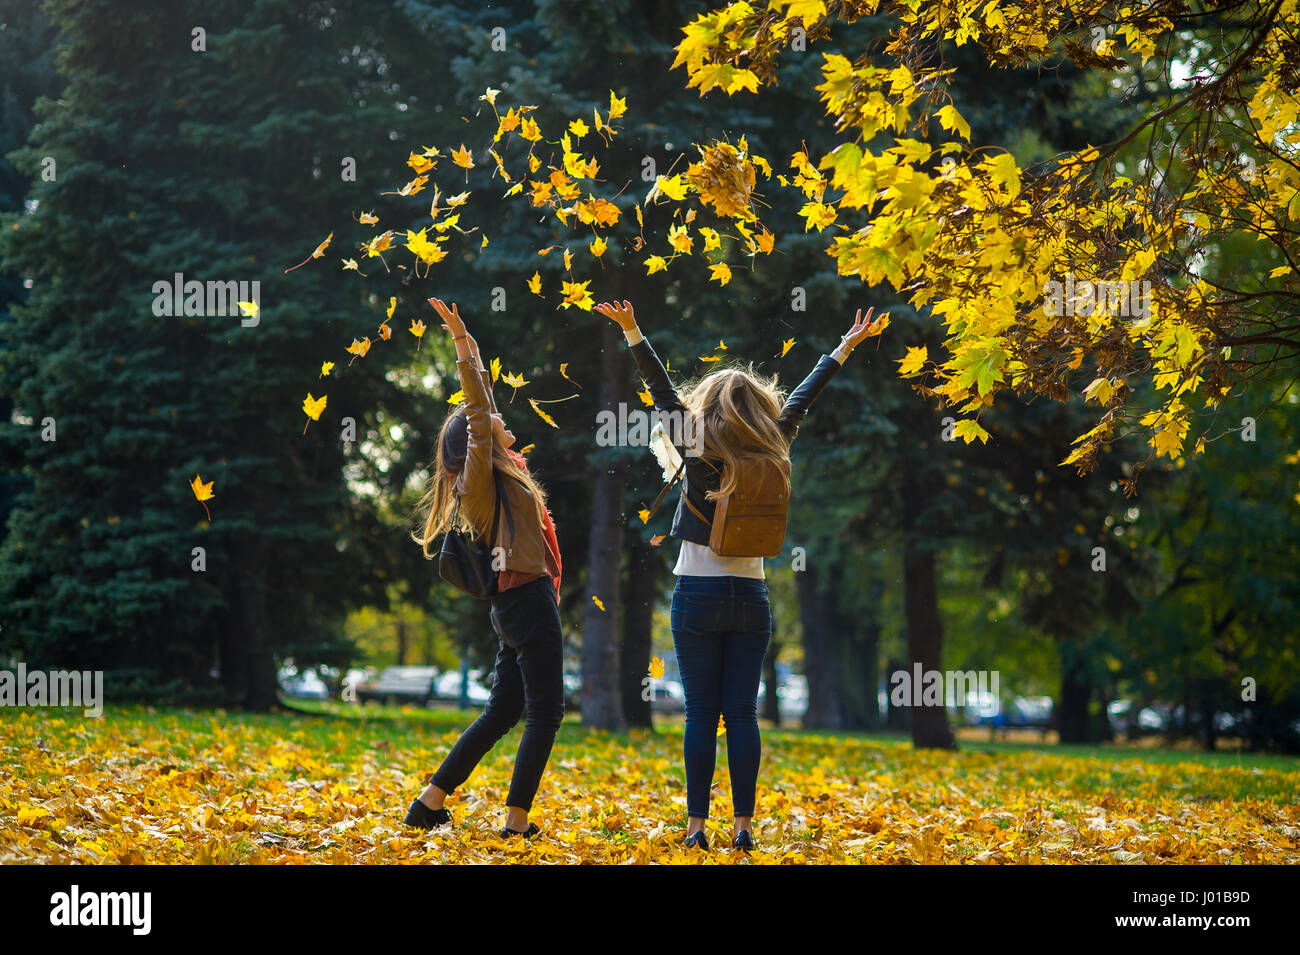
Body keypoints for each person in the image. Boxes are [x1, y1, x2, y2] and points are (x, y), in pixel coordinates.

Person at [594, 299, 880, 852]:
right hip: (751, 597)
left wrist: (633, 329)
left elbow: (661, 392)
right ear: (759, 410)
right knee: (743, 715)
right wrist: (844, 347)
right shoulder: (774, 447)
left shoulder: (696, 448)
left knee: (701, 715)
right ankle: (744, 828)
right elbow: (801, 398)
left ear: (708, 408)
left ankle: (697, 828)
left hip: (696, 596)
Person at [403, 297, 564, 839]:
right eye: (489, 422)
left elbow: (484, 405)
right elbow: (477, 411)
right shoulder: (477, 482)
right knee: (546, 711)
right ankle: (516, 822)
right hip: (527, 602)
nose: (499, 419)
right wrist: (457, 349)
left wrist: (470, 342)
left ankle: (428, 803)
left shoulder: (501, 470)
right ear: (472, 442)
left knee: (503, 711)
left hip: (514, 603)